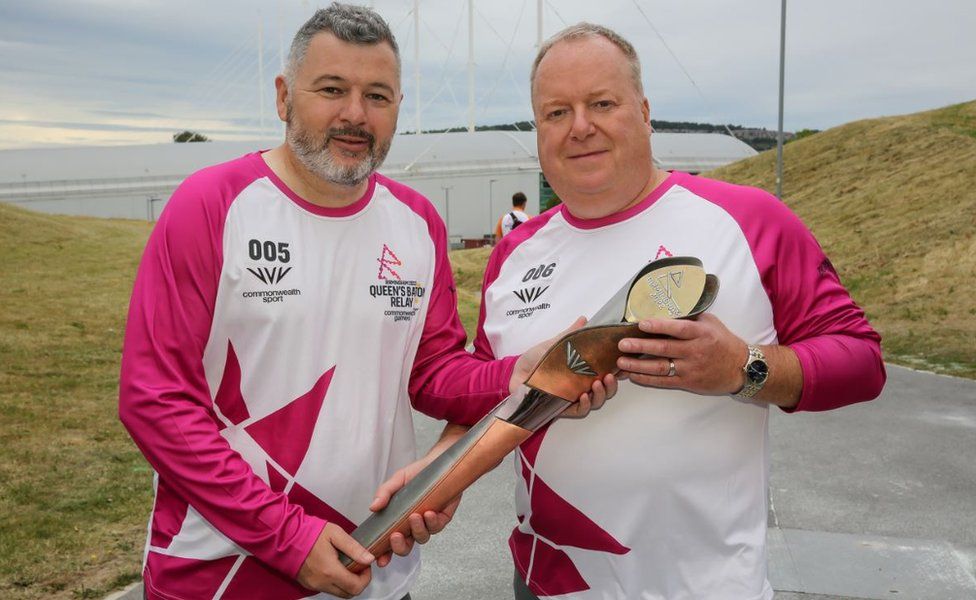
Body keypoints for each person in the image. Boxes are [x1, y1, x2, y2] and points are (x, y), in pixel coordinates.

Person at [117, 6, 613, 600]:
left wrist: (517, 375)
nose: (355, 114)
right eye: (332, 89)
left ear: (398, 106)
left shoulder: (416, 222)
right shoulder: (211, 205)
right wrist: (286, 536)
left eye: (377, 96)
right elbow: (155, 400)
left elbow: (432, 372)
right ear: (283, 96)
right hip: (218, 575)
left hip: (374, 565)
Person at [469, 24, 887, 599]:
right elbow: (481, 396)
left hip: (710, 586)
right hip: (550, 583)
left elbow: (861, 361)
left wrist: (743, 368)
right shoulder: (513, 256)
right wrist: (424, 491)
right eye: (556, 112)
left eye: (602, 103)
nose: (580, 126)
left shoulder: (751, 221)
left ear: (644, 112)